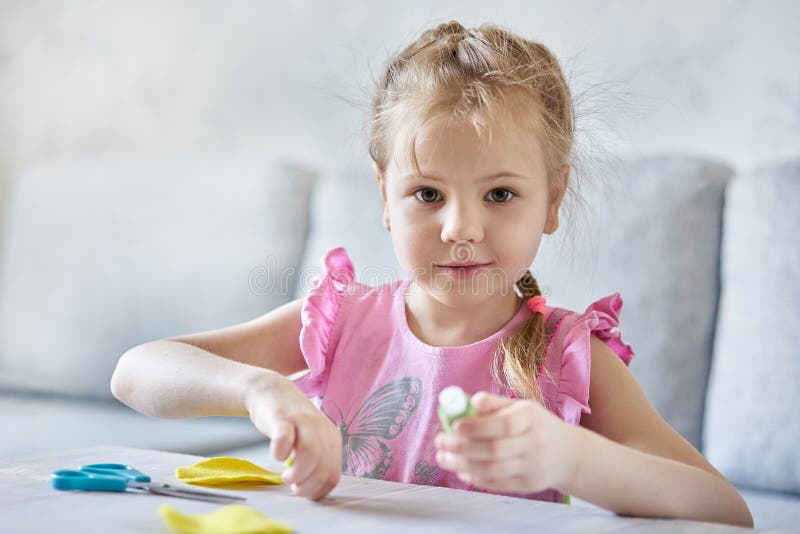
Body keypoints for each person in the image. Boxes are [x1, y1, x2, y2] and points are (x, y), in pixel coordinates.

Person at [110, 21, 753, 527]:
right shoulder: (343, 322)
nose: (461, 229)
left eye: (500, 195)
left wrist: (572, 458)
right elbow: (136, 371)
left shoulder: (566, 353)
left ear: (553, 201)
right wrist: (259, 390)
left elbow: (725, 509)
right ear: (384, 197)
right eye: (427, 194)